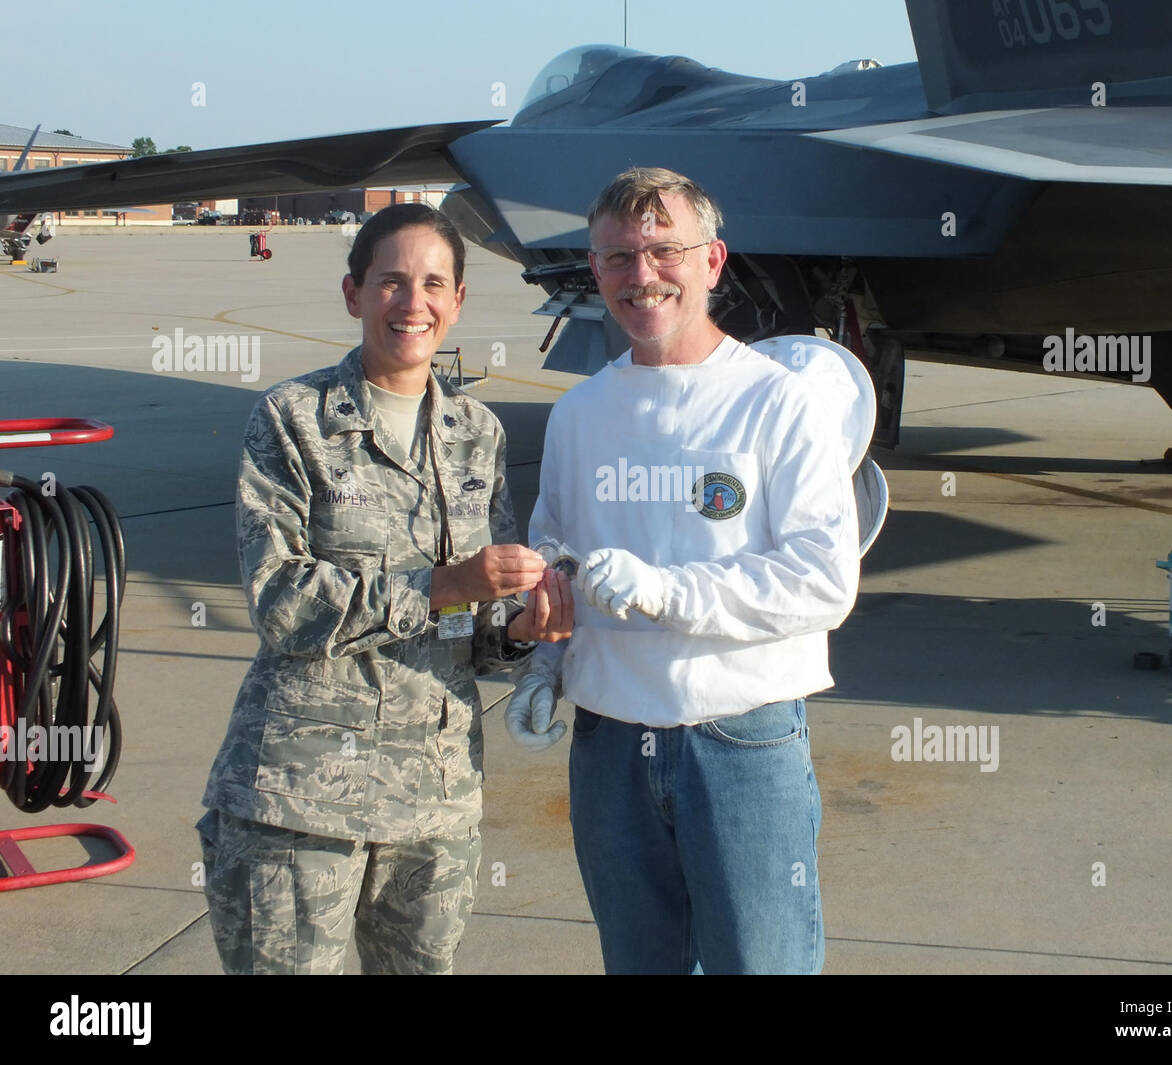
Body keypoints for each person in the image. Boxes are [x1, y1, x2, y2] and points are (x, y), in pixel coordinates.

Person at [197, 202, 572, 975]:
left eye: (434, 282)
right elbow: (282, 602)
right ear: (353, 294)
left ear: (458, 300)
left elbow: (477, 628)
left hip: (433, 800)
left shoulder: (478, 434)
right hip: (300, 800)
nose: (413, 302)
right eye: (391, 281)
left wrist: (520, 628)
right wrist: (443, 584)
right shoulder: (294, 420)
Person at [506, 168, 860, 974]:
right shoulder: (578, 414)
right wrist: (545, 660)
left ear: (713, 261)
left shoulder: (779, 403)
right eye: (619, 257)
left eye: (665, 250)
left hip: (738, 740)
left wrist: (670, 591)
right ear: (594, 272)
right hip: (607, 747)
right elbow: (556, 560)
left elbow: (823, 579)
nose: (643, 276)